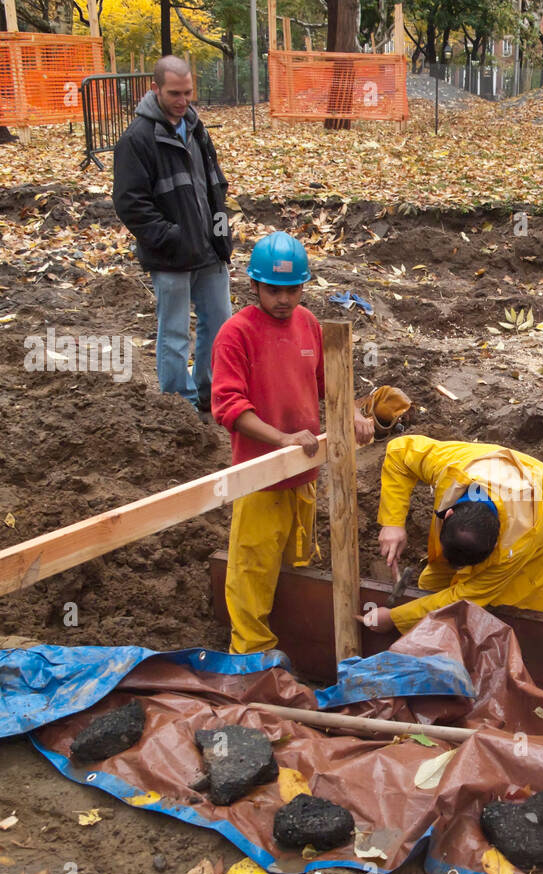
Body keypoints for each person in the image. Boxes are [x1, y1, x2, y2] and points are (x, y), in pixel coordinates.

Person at [212, 231, 375, 654]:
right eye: (273, 290)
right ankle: (250, 654)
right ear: (254, 287)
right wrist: (281, 438)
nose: (283, 299)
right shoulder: (236, 334)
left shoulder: (309, 325)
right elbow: (228, 405)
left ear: (303, 286)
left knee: (293, 561)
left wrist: (353, 412)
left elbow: (328, 383)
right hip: (260, 478)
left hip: (304, 471)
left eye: (292, 290)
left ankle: (290, 637)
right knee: (252, 568)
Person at [112, 55, 231, 419]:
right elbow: (130, 204)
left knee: (222, 324)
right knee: (175, 333)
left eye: (188, 93)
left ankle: (212, 393)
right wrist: (171, 237)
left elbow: (215, 184)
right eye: (174, 93)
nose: (182, 101)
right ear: (155, 89)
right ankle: (179, 408)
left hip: (209, 249)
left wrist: (221, 233)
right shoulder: (137, 139)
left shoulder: (196, 127)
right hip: (171, 255)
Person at [365, 436, 543, 634]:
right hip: (501, 472)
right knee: (438, 577)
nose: (458, 568)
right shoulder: (450, 466)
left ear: (496, 545)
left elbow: (467, 596)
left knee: (507, 613)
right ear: (449, 514)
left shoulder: (516, 545)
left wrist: (395, 617)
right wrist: (392, 523)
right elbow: (399, 452)